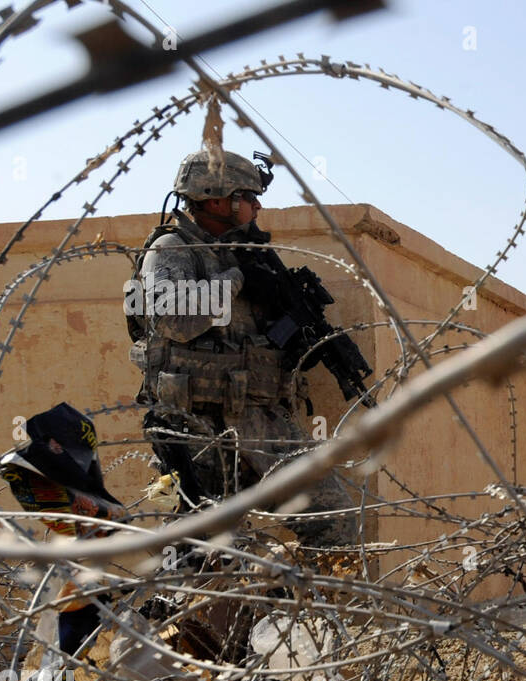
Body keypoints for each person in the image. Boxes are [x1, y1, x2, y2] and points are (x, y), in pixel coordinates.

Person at [128, 148, 358, 551]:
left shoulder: (244, 251)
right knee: (206, 548)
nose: (257, 205)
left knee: (331, 519)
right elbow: (171, 320)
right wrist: (237, 279)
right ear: (216, 199)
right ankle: (183, 613)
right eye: (248, 196)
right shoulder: (172, 248)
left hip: (261, 419)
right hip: (200, 426)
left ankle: (313, 614)